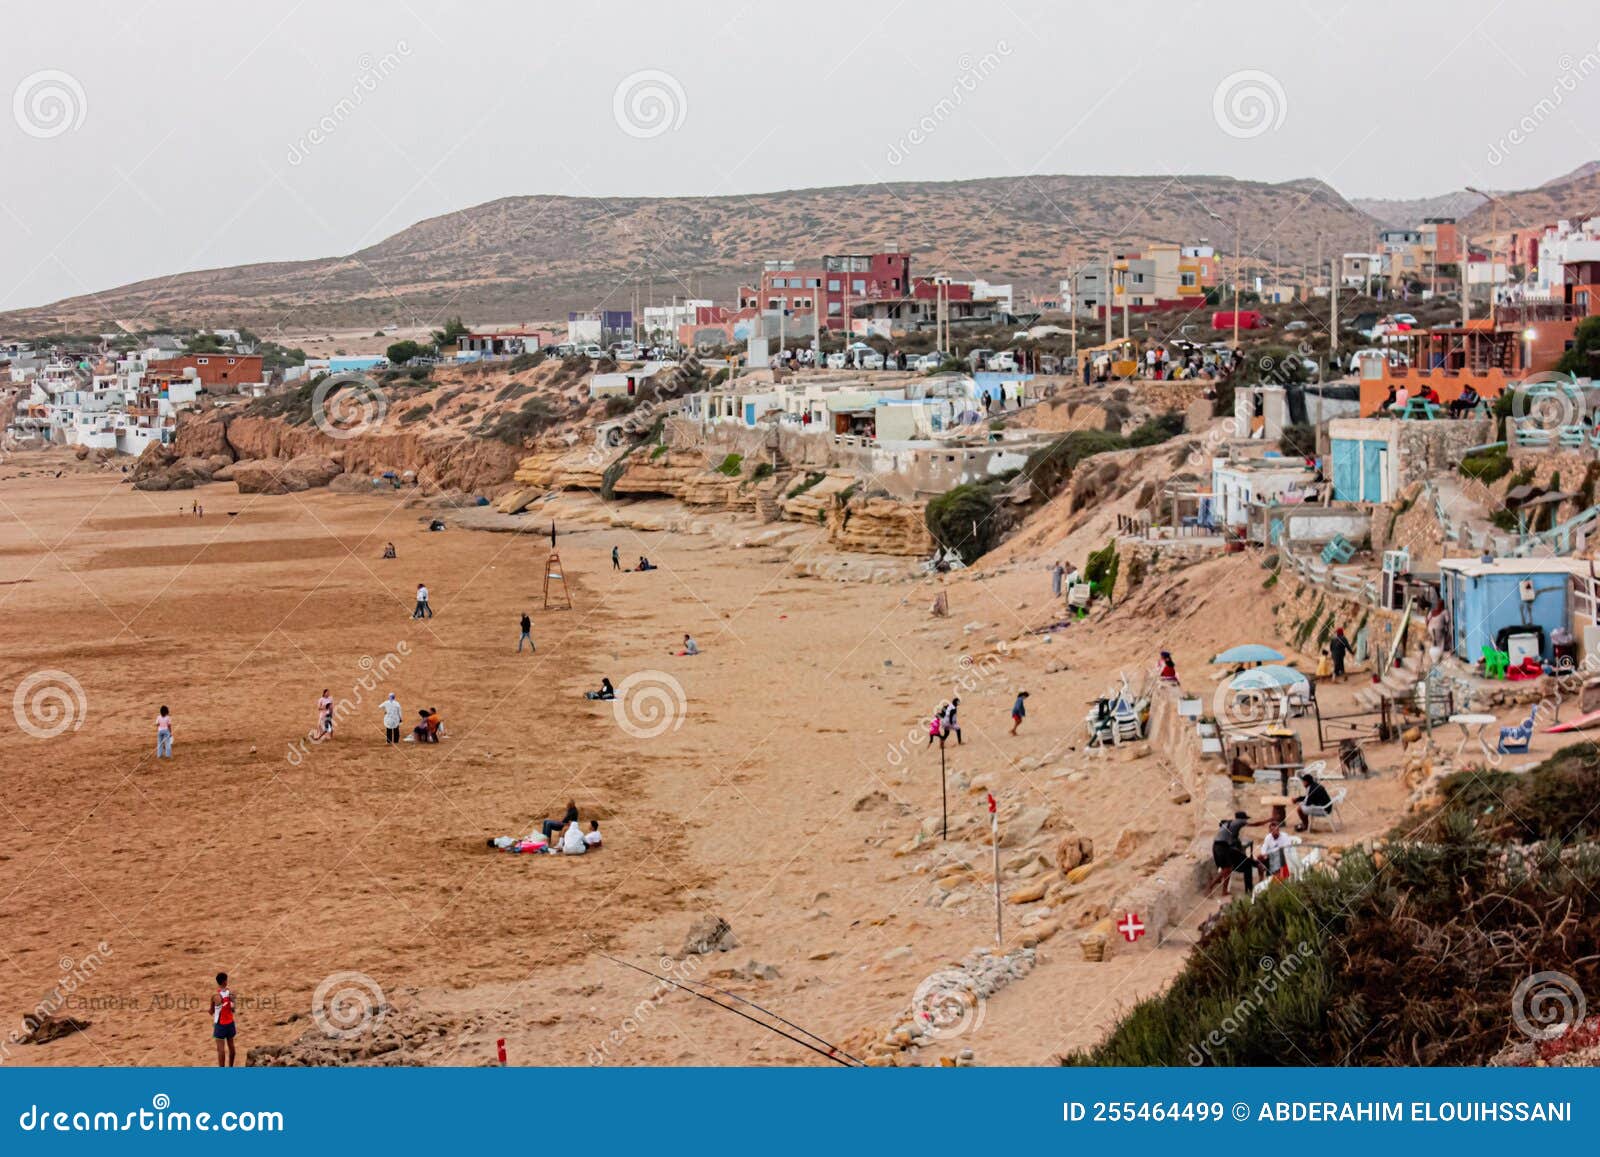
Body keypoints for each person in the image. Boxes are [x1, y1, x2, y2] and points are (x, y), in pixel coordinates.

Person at [1206, 812, 1262, 896]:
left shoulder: (1227, 830)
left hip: (1226, 852)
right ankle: (1211, 886)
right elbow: (1236, 851)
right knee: (1227, 869)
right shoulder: (1231, 833)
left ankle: (1224, 890)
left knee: (1229, 869)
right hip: (1226, 852)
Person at [210, 972, 237, 1067]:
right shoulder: (231, 994)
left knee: (221, 1050)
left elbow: (211, 1011)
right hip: (230, 1023)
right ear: (225, 981)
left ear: (218, 982)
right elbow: (233, 1009)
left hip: (220, 1025)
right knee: (232, 1047)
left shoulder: (215, 996)